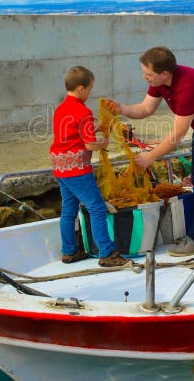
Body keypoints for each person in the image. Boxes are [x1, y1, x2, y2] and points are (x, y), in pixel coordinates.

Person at [114, 47, 194, 256]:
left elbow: (176, 136)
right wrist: (122, 109)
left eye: (148, 74)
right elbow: (145, 109)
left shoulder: (187, 86)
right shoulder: (160, 82)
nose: (144, 77)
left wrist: (150, 157)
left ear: (164, 73)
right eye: (144, 72)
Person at [50, 66, 127, 267]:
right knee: (97, 208)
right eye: (90, 89)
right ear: (81, 88)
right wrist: (103, 143)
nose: (90, 93)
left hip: (60, 166)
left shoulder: (60, 109)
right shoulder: (83, 111)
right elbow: (89, 144)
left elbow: (72, 133)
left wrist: (96, 128)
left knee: (69, 210)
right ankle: (107, 252)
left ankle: (69, 251)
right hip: (77, 168)